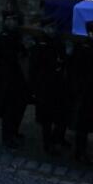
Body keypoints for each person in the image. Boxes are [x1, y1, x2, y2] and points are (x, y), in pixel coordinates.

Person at [29, 16, 70, 154]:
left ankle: (57, 138)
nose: (52, 30)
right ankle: (48, 145)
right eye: (50, 27)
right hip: (45, 86)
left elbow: (63, 59)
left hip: (58, 85)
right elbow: (35, 67)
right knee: (46, 119)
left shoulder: (57, 42)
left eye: (53, 27)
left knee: (61, 116)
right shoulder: (40, 44)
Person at [69, 20, 93, 164]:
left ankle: (81, 151)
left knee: (85, 123)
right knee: (82, 124)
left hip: (90, 91)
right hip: (85, 91)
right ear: (91, 34)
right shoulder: (86, 48)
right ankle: (80, 153)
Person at [0, 11, 29, 148]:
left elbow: (21, 51)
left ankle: (14, 132)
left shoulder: (14, 35)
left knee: (19, 105)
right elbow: (6, 55)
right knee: (8, 108)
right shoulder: (4, 36)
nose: (12, 22)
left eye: (14, 19)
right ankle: (7, 137)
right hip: (6, 76)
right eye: (9, 19)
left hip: (15, 74)